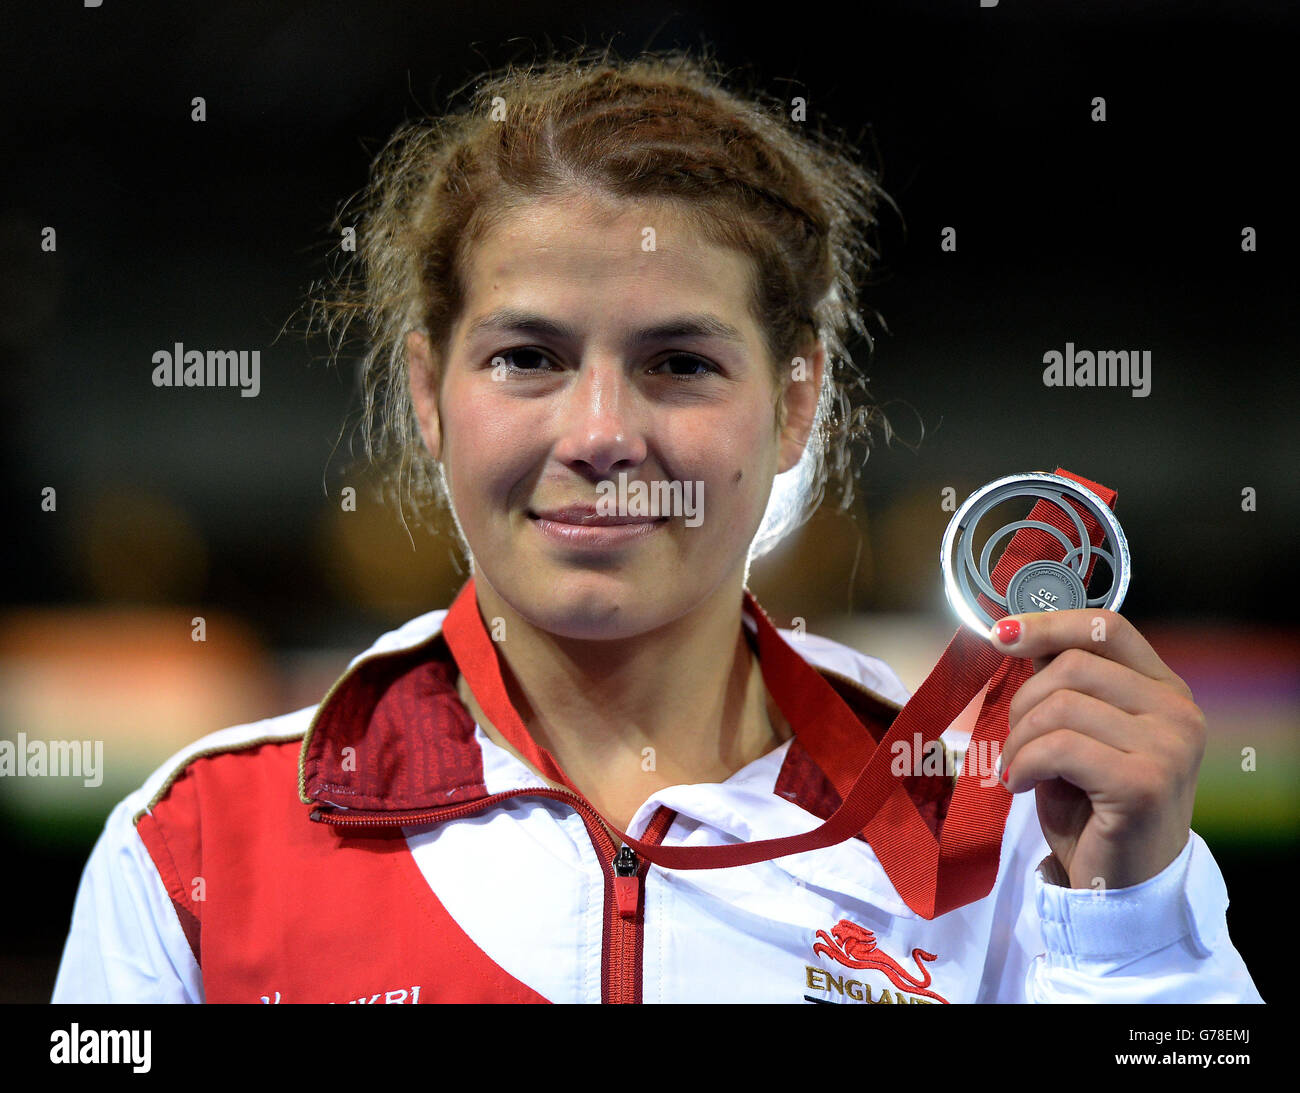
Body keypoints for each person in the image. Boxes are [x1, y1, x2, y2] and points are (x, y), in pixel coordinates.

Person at [52, 47, 1263, 1004]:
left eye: (678, 363)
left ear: (794, 404)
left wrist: (1129, 926)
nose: (599, 433)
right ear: (429, 393)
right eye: (526, 356)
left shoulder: (1003, 832)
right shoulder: (196, 850)